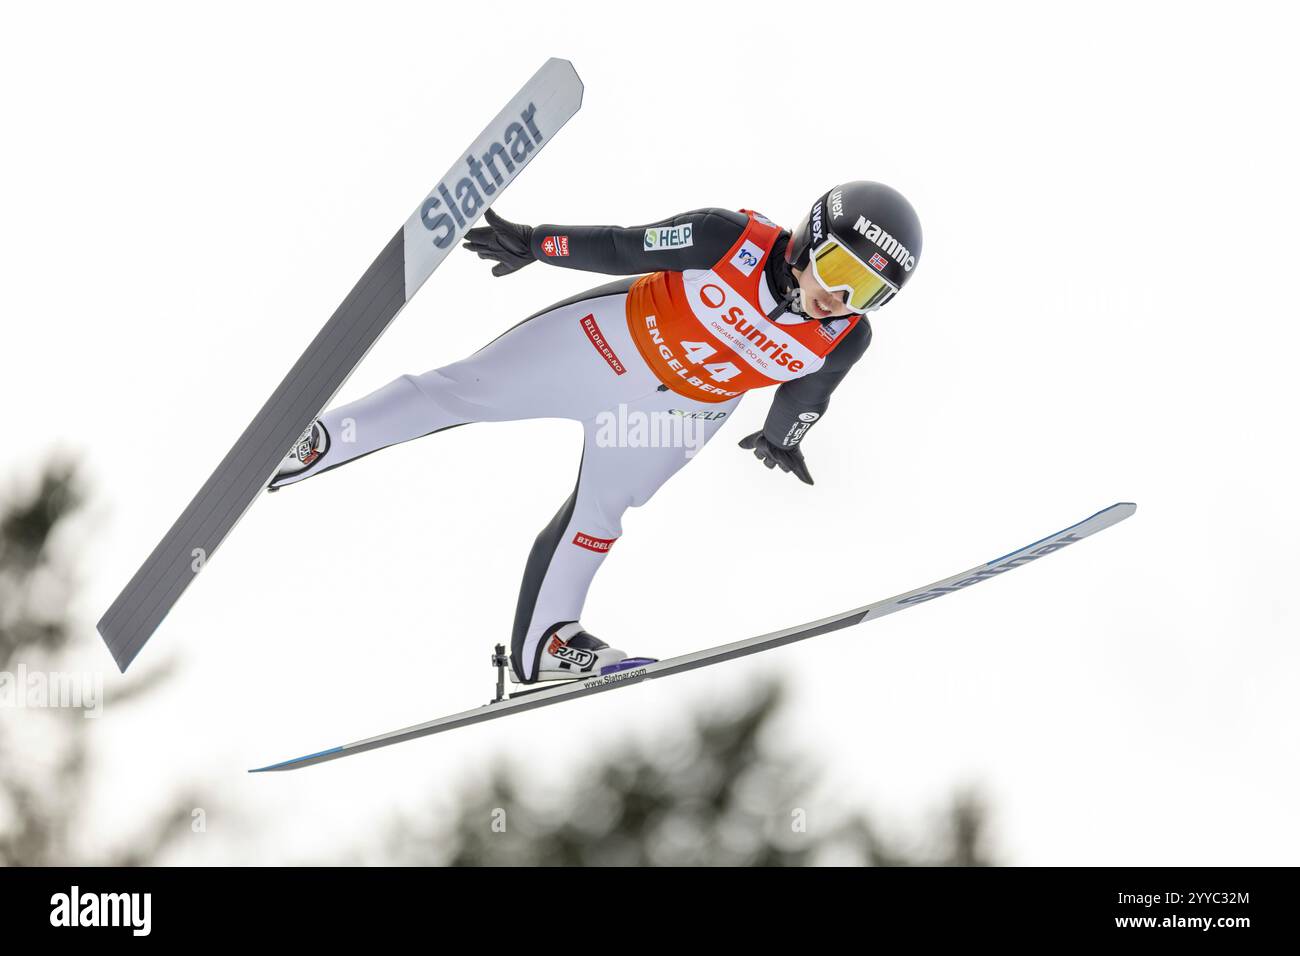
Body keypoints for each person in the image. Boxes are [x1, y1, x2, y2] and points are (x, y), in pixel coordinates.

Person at [267, 181, 922, 684]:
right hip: (605, 347)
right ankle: (321, 439)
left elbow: (808, 394)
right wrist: (536, 242)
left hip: (678, 414)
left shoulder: (843, 338)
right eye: (841, 271)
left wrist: (783, 439)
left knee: (600, 515)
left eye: (868, 291)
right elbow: (622, 245)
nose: (840, 298)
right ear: (811, 238)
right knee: (459, 393)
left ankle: (546, 644)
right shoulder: (731, 239)